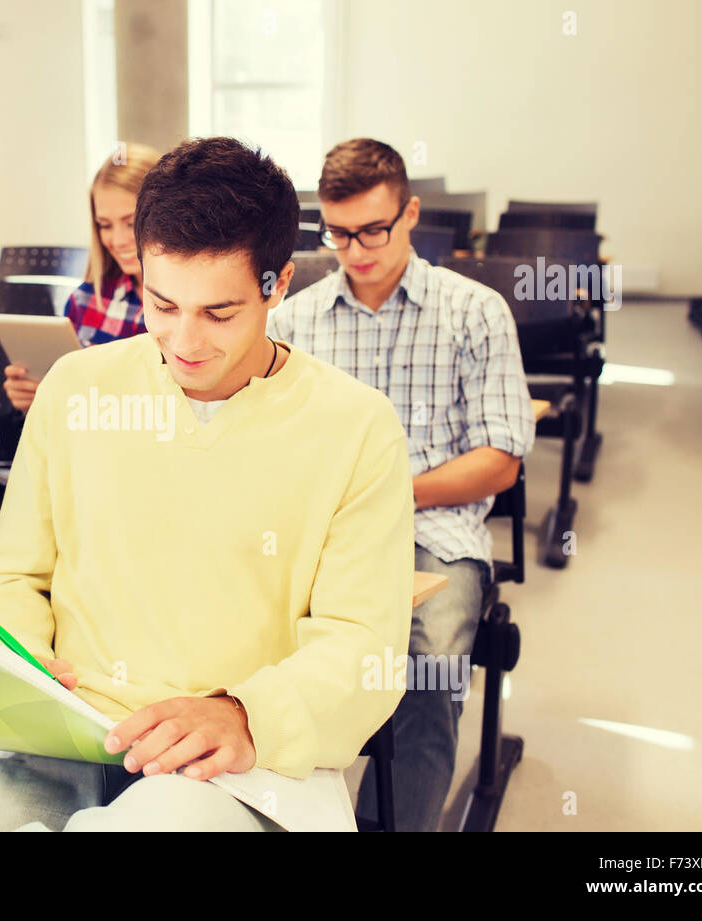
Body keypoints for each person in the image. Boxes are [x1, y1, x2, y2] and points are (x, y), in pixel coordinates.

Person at [0, 136, 413, 832]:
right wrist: (21, 654)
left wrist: (244, 713)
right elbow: (12, 577)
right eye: (162, 305)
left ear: (276, 284)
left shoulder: (357, 427)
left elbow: (363, 647)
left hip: (227, 767)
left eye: (219, 313)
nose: (185, 341)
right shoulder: (77, 388)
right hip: (65, 733)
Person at [267, 137, 536, 831]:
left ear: (410, 213)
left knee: (428, 675)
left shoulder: (474, 311)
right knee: (253, 652)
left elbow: (500, 459)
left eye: (373, 230)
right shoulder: (293, 320)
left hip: (434, 534)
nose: (355, 250)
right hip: (314, 534)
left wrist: (389, 491)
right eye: (339, 232)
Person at [2, 142, 161, 412]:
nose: (118, 240)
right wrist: (36, 400)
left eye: (131, 223)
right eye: (105, 226)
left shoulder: (189, 308)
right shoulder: (85, 301)